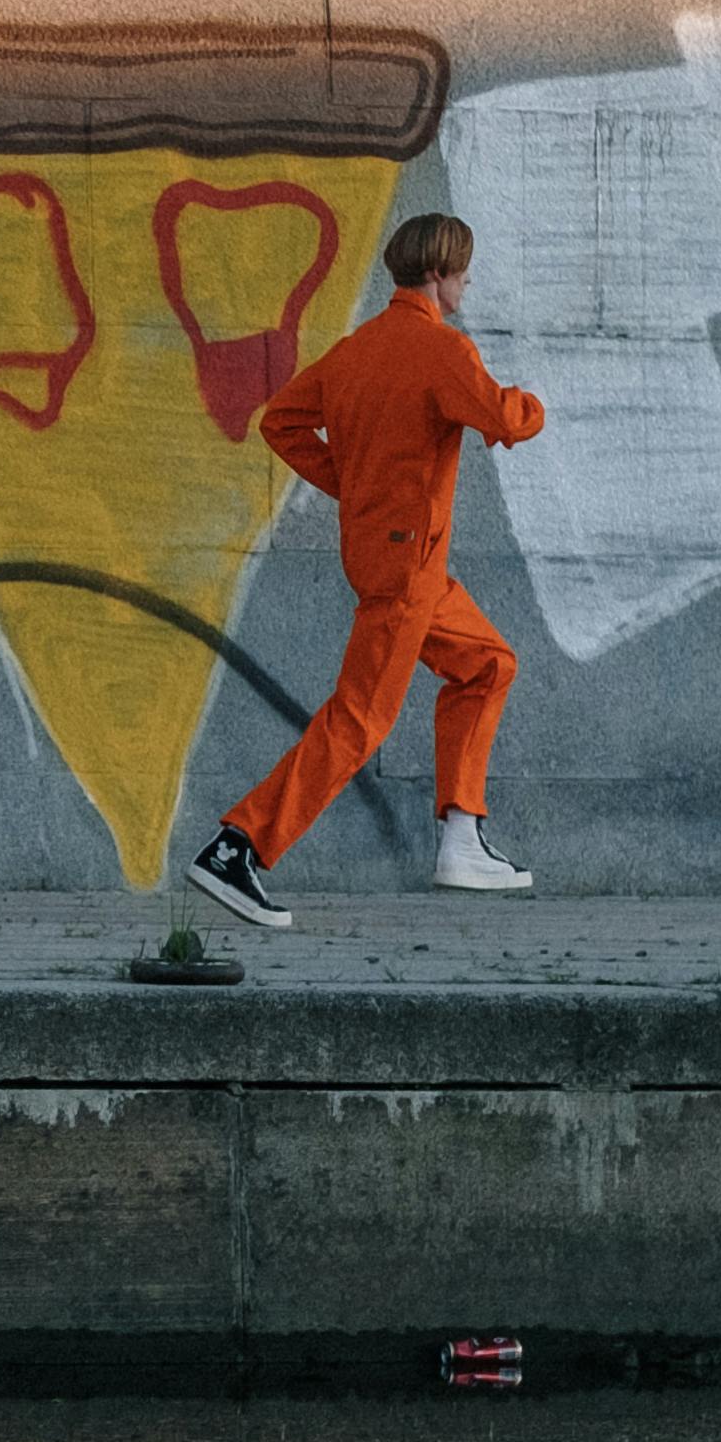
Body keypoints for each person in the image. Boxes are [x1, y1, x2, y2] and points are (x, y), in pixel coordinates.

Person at [186, 211, 547, 929]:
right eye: (463, 268)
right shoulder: (442, 351)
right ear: (440, 274)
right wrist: (536, 404)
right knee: (358, 719)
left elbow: (281, 419)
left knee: (486, 665)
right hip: (410, 565)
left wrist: (353, 481)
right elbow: (503, 419)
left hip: (392, 558)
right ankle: (238, 847)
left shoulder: (357, 350)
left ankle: (461, 837)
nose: (468, 280)